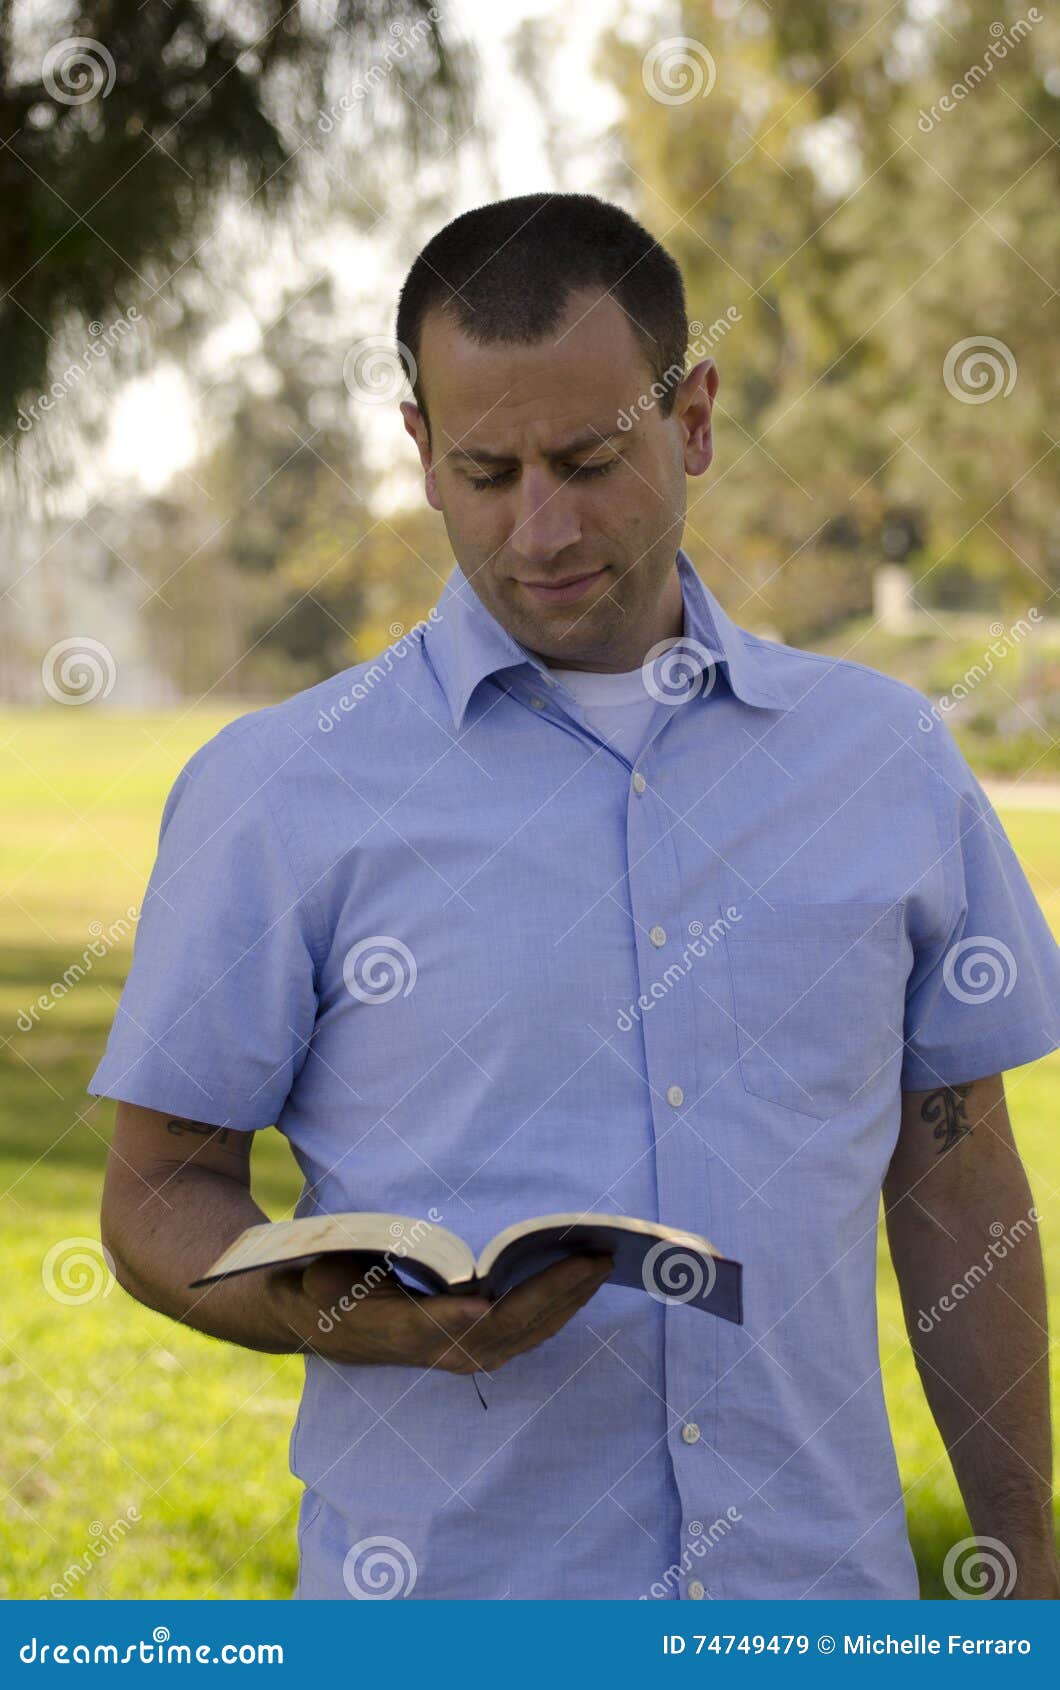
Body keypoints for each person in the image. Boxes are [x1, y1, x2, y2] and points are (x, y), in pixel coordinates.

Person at [92, 193, 1060, 1601]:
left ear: (697, 420)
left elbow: (962, 1176)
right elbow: (155, 1193)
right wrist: (331, 1313)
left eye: (589, 459)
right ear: (420, 451)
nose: (539, 526)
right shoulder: (277, 790)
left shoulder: (885, 758)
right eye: (487, 471)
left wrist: (1027, 1553)